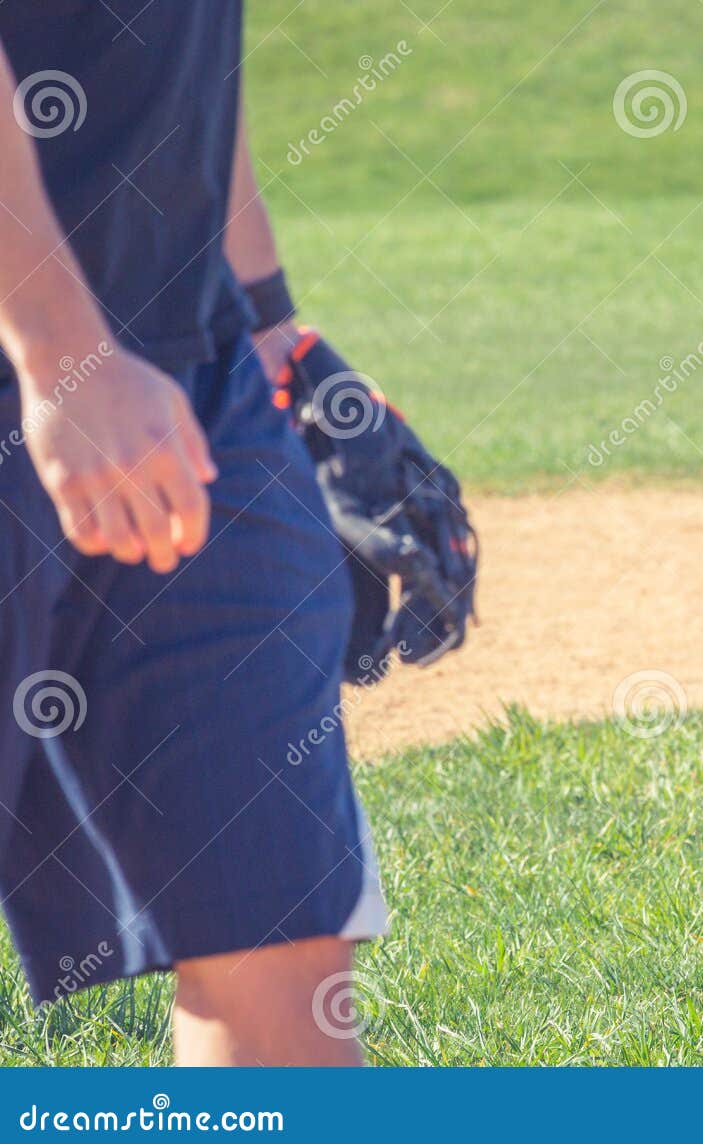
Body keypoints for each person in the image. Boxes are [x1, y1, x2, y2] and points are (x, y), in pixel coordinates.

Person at [0, 2, 386, 1064]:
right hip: (63, 361)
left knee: (279, 934)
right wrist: (59, 352)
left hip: (192, 378)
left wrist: (271, 321)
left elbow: (186, 63)